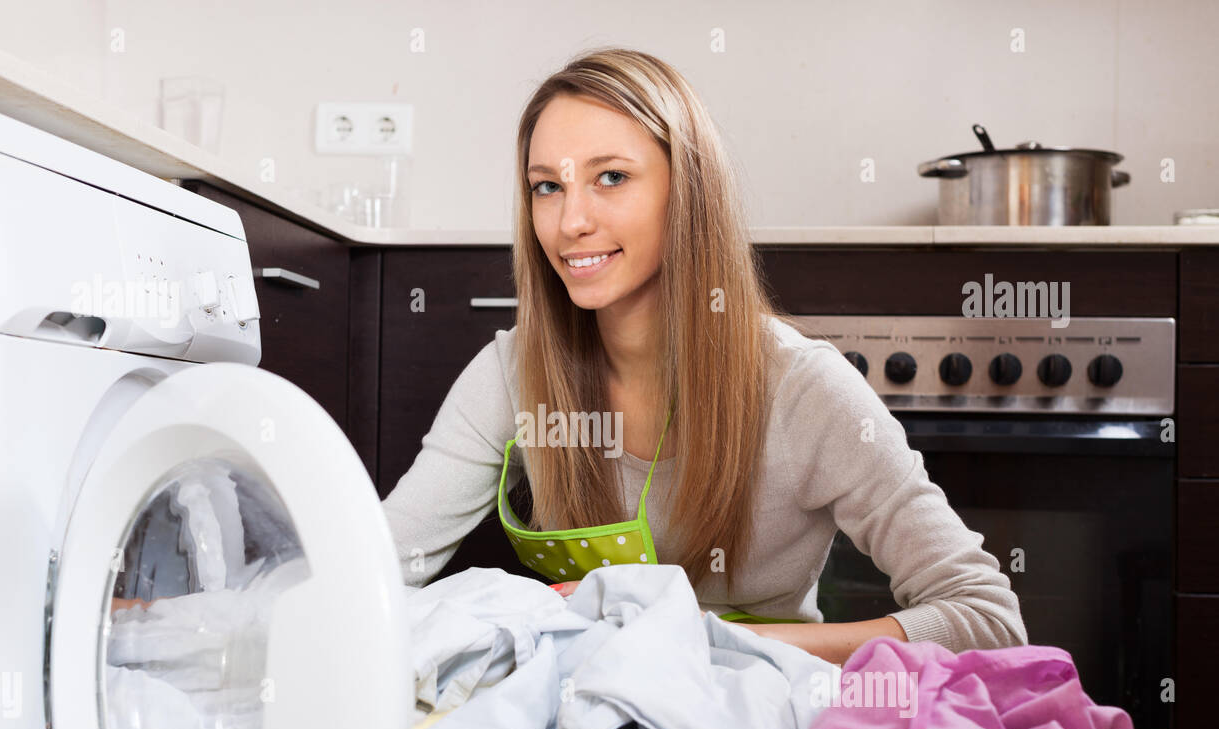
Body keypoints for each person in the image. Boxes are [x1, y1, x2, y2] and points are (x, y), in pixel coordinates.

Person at [381, 47, 1026, 667]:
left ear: (686, 191)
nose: (569, 220)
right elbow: (375, 569)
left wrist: (691, 637)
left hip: (763, 727)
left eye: (612, 177)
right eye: (547, 186)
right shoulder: (511, 374)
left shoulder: (803, 389)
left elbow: (989, 621)